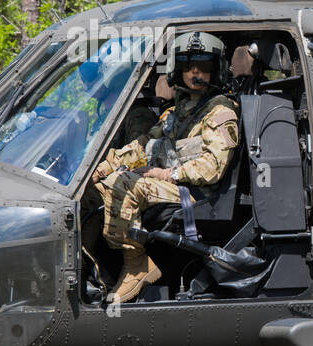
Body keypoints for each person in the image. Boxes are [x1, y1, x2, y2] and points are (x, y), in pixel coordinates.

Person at [93, 30, 240, 302]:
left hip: (197, 195)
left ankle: (137, 265)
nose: (195, 73)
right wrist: (104, 166)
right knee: (99, 186)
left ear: (216, 70)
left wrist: (167, 173)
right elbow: (143, 145)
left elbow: (213, 168)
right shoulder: (177, 112)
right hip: (172, 187)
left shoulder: (220, 113)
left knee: (123, 185)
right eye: (187, 66)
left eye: (203, 66)